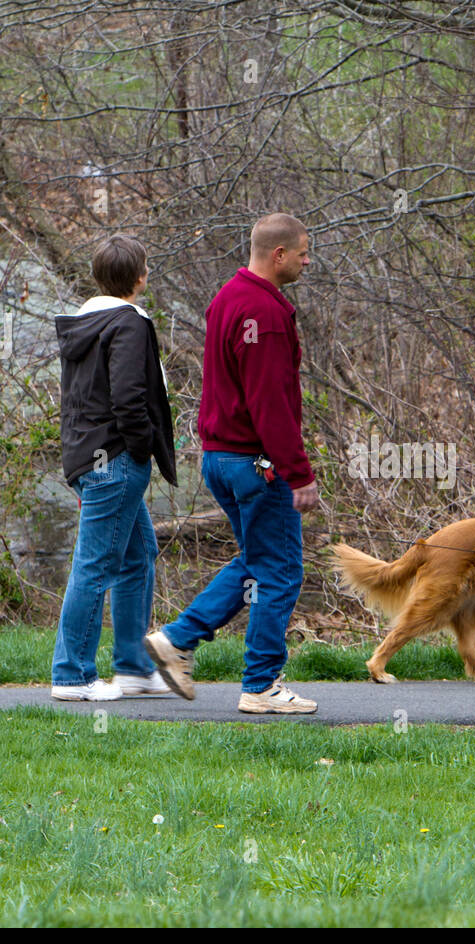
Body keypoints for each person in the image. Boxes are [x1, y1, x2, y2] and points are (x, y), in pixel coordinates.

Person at [144, 213, 320, 714]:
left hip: (219, 457)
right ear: (278, 254)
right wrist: (299, 472)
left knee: (256, 563)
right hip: (257, 462)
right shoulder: (263, 314)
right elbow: (270, 404)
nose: (308, 261)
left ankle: (176, 640)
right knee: (281, 571)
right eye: (303, 252)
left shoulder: (227, 297)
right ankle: (261, 685)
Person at [50, 235, 177, 701]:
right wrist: (141, 448)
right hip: (117, 460)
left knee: (138, 553)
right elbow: (128, 396)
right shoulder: (128, 323)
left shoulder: (85, 322)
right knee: (95, 563)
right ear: (140, 277)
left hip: (90, 457)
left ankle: (133, 668)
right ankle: (72, 675)